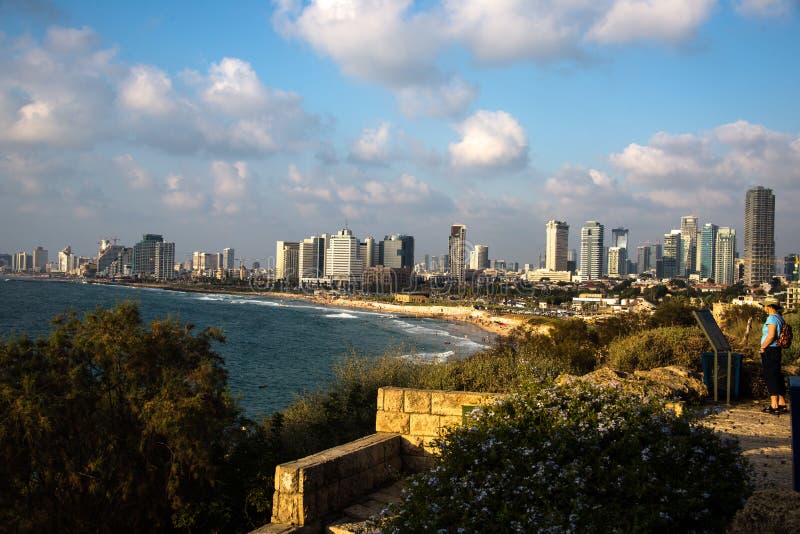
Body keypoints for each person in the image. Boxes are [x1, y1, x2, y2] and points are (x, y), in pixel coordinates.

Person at [759, 297, 787, 415]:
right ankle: (781, 402)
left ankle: (774, 404)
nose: (764, 307)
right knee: (776, 374)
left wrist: (763, 347)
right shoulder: (780, 318)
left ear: (769, 306)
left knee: (770, 376)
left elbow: (771, 335)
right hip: (777, 350)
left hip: (770, 350)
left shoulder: (771, 318)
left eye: (765, 305)